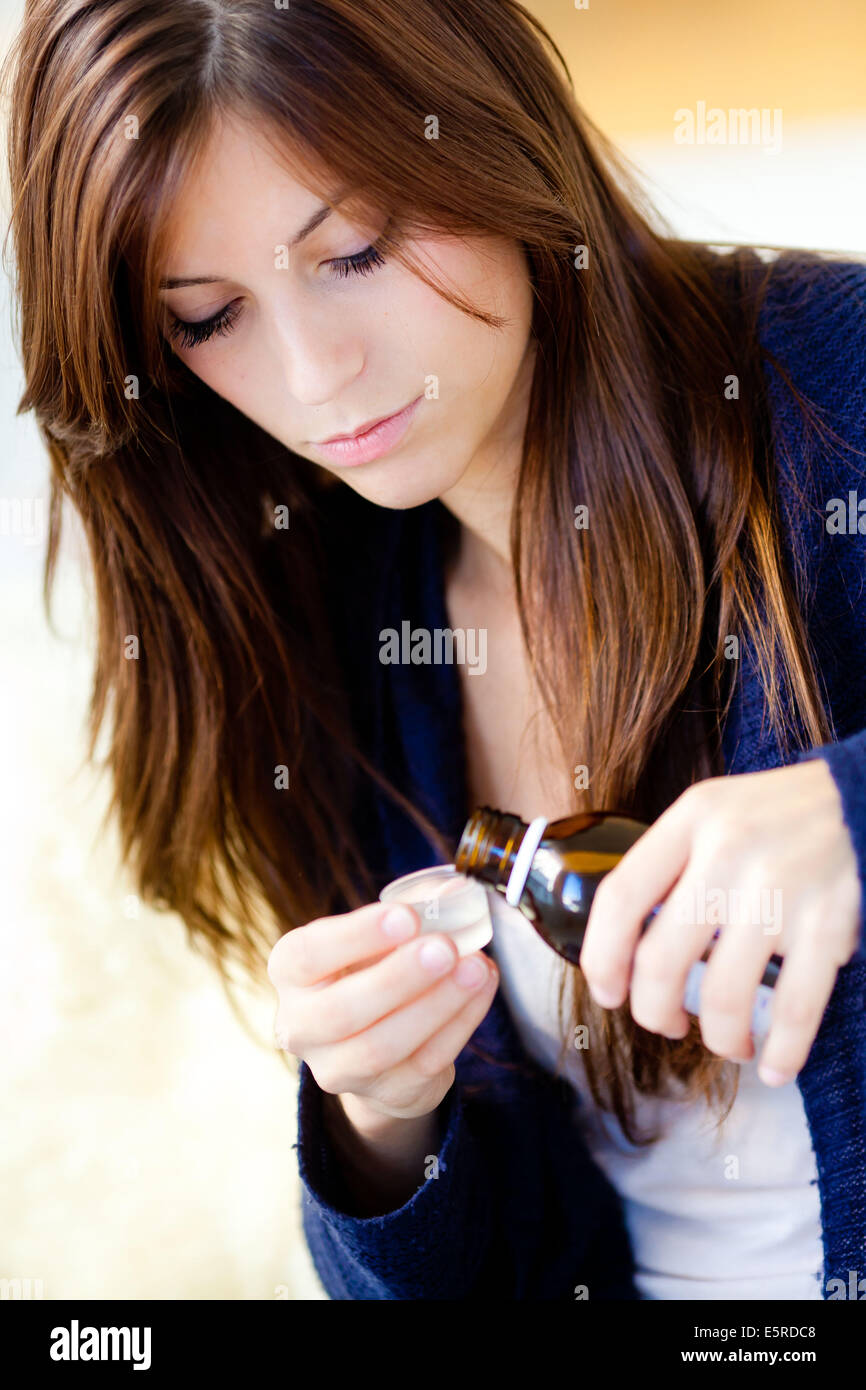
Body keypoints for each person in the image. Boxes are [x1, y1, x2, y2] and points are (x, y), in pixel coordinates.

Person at [4, 0, 865, 1301]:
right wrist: (380, 1125)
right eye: (206, 316)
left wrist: (850, 815)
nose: (315, 374)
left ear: (489, 135)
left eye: (354, 247)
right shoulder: (314, 621)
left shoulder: (829, 386)